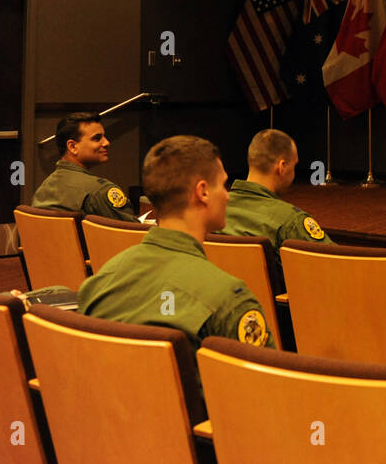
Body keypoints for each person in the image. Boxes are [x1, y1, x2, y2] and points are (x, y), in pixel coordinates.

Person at [78, 135, 275, 352]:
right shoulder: (229, 299)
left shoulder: (101, 281)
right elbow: (263, 384)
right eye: (222, 184)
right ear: (203, 192)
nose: (227, 196)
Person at [220, 128, 329, 294]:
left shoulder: (214, 210)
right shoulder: (291, 221)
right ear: (282, 167)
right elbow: (334, 266)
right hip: (274, 317)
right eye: (294, 166)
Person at [32, 112, 136, 221]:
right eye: (97, 138)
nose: (106, 143)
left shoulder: (44, 189)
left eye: (104, 137)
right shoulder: (100, 192)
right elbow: (134, 235)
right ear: (72, 147)